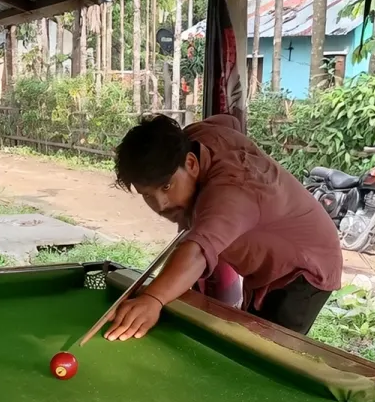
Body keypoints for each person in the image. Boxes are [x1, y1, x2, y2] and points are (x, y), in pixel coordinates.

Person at [106, 113, 342, 342]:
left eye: (166, 187)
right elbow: (229, 121)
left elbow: (197, 252)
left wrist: (152, 299)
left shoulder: (231, 192)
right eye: (147, 195)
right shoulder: (195, 138)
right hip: (266, 261)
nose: (160, 204)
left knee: (268, 349)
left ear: (191, 163)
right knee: (249, 331)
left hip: (305, 267)